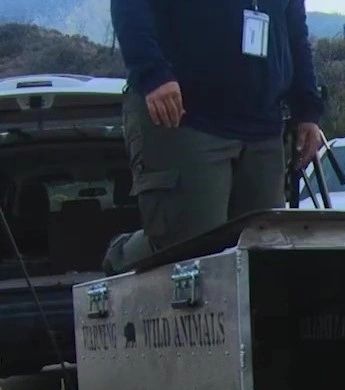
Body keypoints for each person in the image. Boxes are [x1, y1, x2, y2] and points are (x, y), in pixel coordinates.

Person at [103, 0, 326, 275]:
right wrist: (152, 73)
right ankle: (122, 260)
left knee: (262, 250)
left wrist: (307, 110)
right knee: (192, 247)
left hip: (262, 124)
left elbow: (295, 31)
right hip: (187, 114)